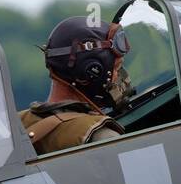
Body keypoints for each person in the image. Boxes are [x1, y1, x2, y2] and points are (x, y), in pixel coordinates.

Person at [20, 16, 135, 155]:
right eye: (116, 68)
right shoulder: (102, 138)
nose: (119, 76)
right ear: (90, 73)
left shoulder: (14, 125)